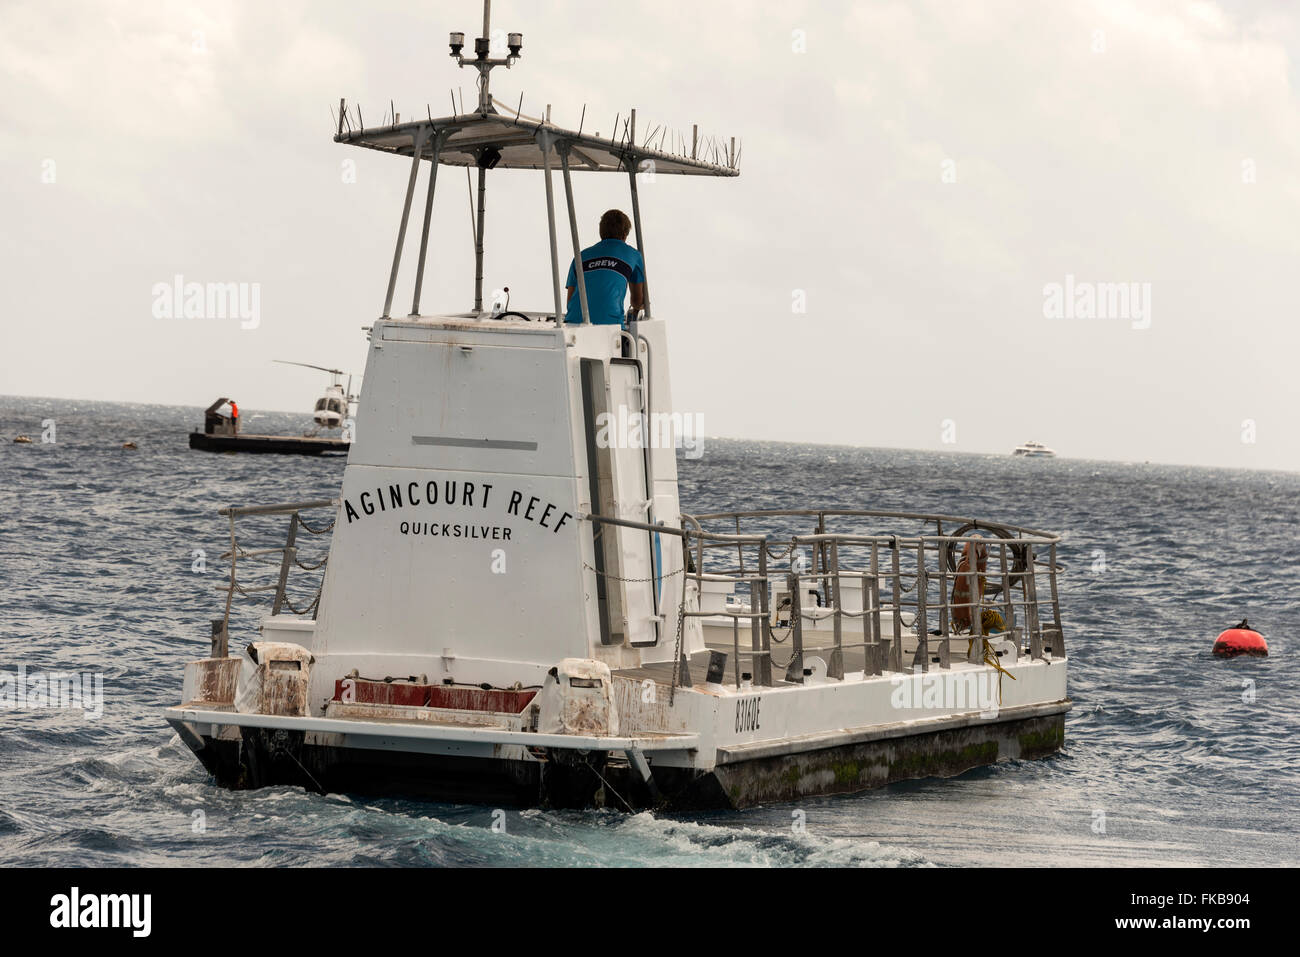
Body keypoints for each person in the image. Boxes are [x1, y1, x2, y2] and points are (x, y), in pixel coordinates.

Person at [564, 209, 646, 327]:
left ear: (601, 233)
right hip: (610, 325)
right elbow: (637, 301)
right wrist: (643, 305)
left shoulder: (580, 256)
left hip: (574, 323)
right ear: (625, 235)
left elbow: (570, 301)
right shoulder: (634, 255)